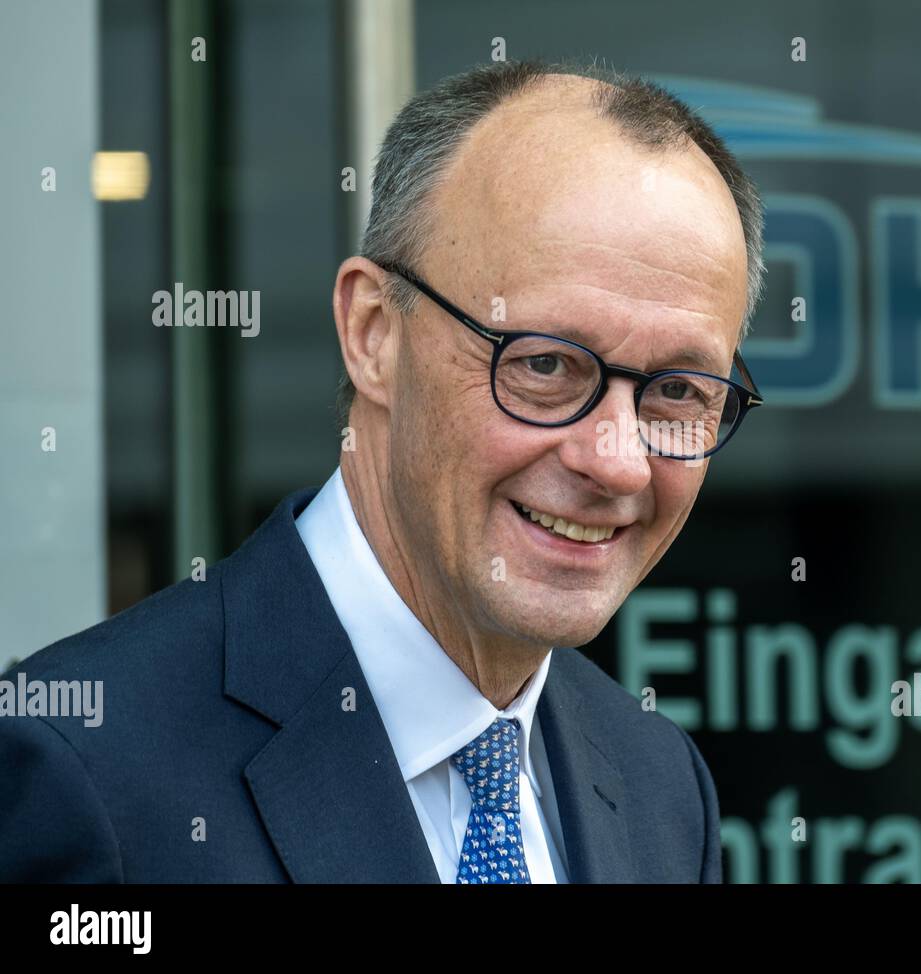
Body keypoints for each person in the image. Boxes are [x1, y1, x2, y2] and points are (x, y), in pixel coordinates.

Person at [0, 58, 767, 884]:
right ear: (374, 334)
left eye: (680, 391)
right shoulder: (87, 771)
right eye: (545, 366)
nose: (617, 462)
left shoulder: (660, 785)